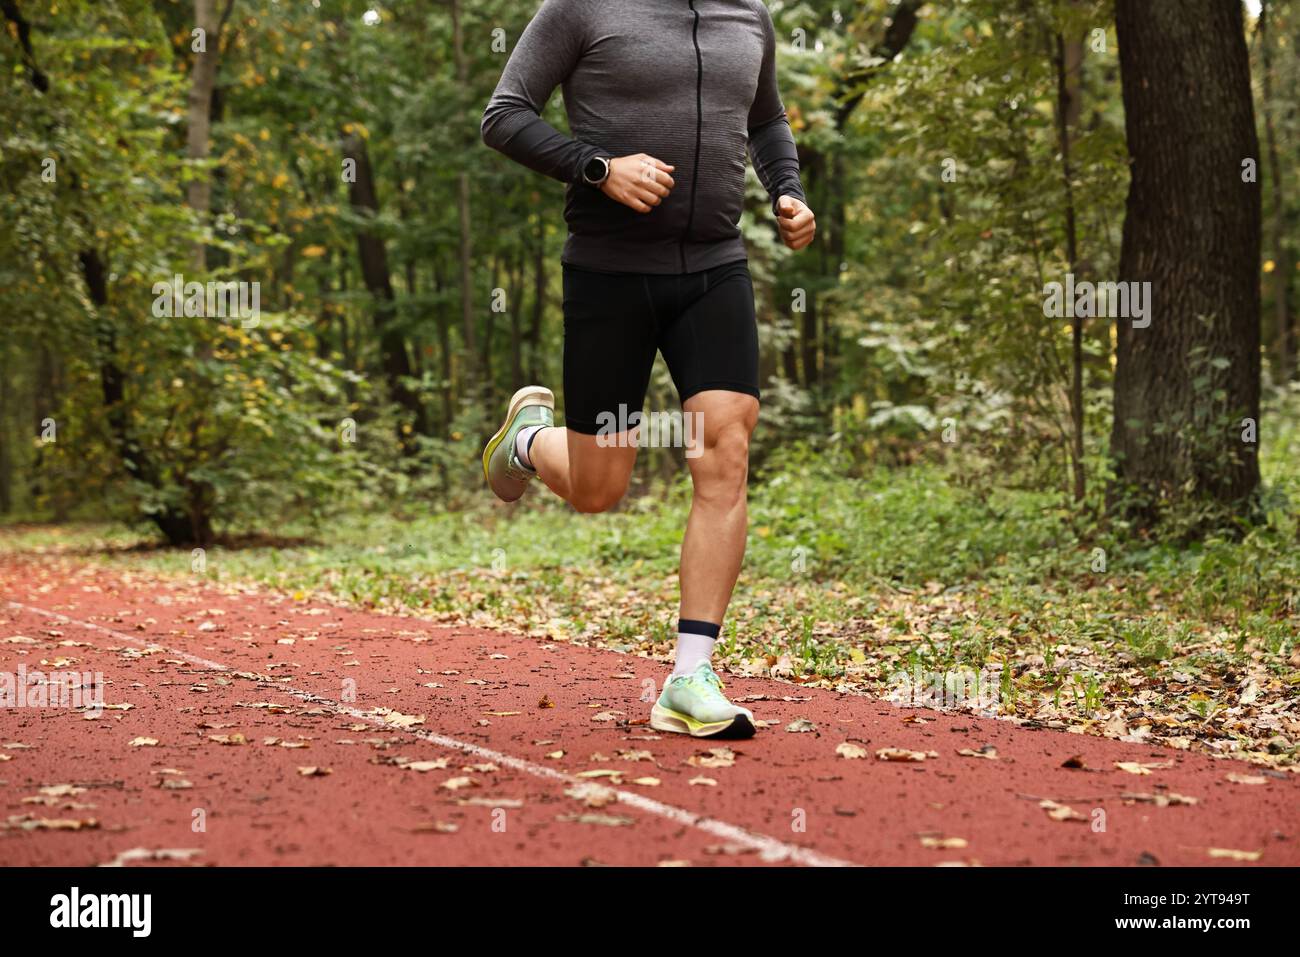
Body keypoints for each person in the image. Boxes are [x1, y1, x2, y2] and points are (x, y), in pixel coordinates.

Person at [480, 0, 815, 738]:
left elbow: (766, 120)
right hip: (609, 272)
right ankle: (530, 438)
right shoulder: (581, 8)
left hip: (715, 267)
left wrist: (787, 190)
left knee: (725, 448)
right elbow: (503, 115)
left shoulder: (748, 15)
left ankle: (690, 675)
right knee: (601, 489)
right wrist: (597, 168)